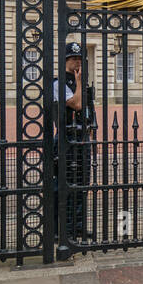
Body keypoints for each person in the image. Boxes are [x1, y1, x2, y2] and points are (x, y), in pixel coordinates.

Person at [59, 43, 94, 242]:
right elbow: (76, 104)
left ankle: (79, 226)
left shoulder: (83, 82)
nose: (78, 62)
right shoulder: (59, 82)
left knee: (82, 183)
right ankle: (66, 228)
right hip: (67, 139)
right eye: (74, 59)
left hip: (82, 137)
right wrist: (79, 83)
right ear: (65, 61)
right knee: (69, 183)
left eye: (80, 59)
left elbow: (87, 107)